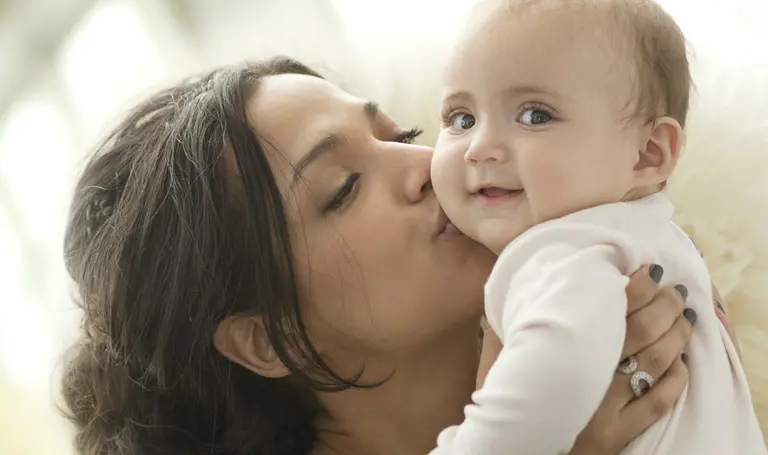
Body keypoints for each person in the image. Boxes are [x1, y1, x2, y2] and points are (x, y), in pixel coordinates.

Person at [60, 56, 730, 455]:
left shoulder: (599, 288)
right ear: (268, 337)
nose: (427, 166)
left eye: (402, 135)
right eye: (343, 188)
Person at [429, 0, 765, 454]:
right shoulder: (658, 243)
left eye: (534, 115)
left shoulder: (561, 248)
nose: (478, 147)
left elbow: (554, 377)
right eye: (461, 118)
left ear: (648, 154)